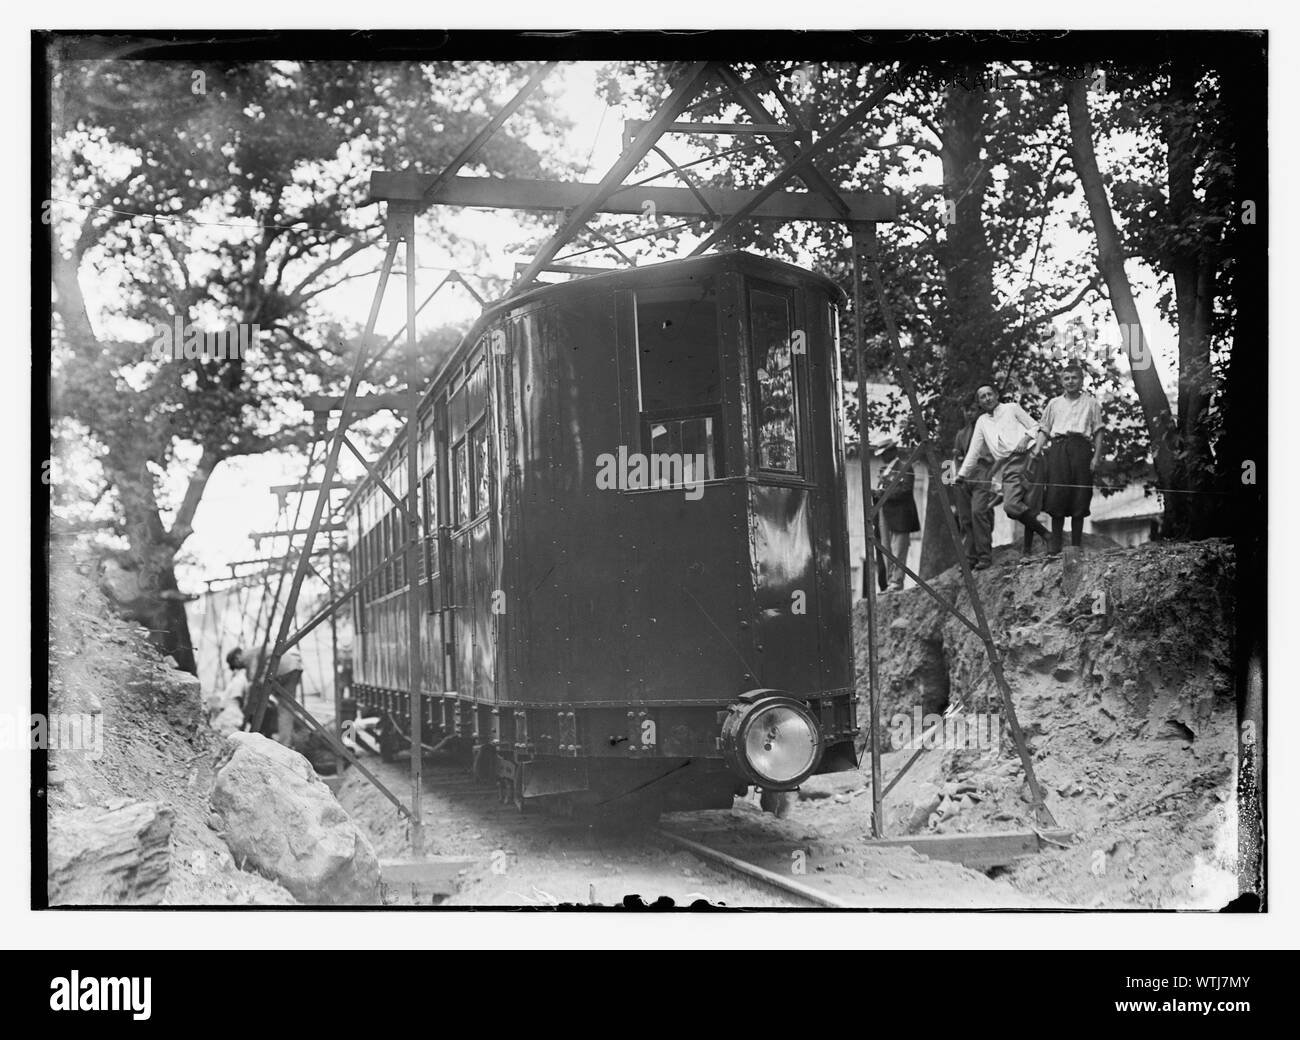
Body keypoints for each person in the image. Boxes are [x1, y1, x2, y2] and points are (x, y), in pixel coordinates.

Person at [957, 382, 1052, 555]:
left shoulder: (1012, 408)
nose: (987, 399)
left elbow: (1036, 426)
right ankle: (1046, 534)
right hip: (1008, 465)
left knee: (1030, 505)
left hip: (1029, 456)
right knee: (1010, 506)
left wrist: (1025, 439)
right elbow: (973, 451)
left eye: (989, 394)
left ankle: (1028, 550)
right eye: (982, 397)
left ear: (996, 395)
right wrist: (961, 475)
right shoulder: (980, 423)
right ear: (979, 402)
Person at [1036, 360, 1105, 553]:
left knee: (1080, 494)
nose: (1070, 381)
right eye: (1066, 378)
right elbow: (1044, 428)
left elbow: (1098, 431)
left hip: (1081, 449)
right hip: (1058, 449)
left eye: (1074, 378)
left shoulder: (1091, 403)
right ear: (1061, 382)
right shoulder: (1054, 403)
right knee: (1057, 494)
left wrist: (1096, 457)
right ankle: (1055, 545)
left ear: (1082, 380)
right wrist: (1036, 451)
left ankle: (1075, 546)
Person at [951, 397, 994, 570]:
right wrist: (952, 478)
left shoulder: (988, 431)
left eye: (973, 409)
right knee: (965, 518)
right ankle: (969, 557)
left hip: (982, 475)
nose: (970, 413)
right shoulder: (961, 434)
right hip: (963, 478)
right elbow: (955, 458)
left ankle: (984, 555)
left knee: (978, 512)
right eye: (966, 410)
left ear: (980, 410)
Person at [235, 644, 304, 744]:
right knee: (285, 708)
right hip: (294, 667)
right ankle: (286, 742)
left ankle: (258, 732)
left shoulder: (247, 655)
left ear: (237, 657)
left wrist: (249, 704)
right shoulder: (256, 650)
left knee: (281, 707)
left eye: (236, 664)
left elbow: (253, 679)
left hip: (283, 669)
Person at [875, 439, 920, 592]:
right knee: (886, 548)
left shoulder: (905, 467)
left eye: (885, 453)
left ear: (893, 451)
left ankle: (897, 581)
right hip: (885, 512)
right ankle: (889, 582)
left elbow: (906, 490)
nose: (882, 457)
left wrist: (883, 493)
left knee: (899, 549)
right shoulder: (884, 470)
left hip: (901, 514)